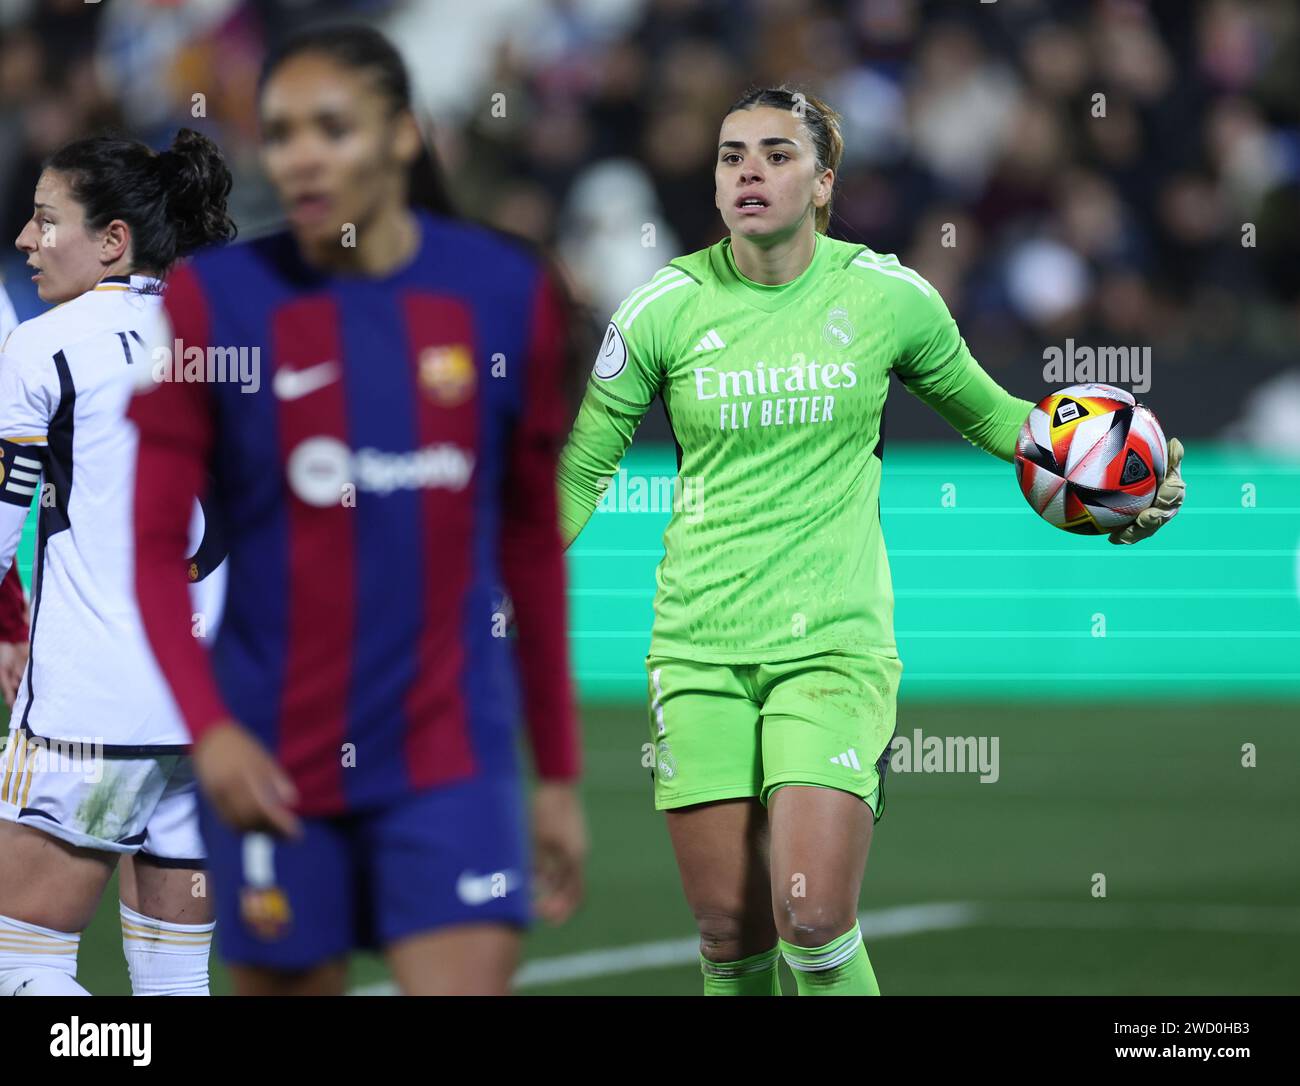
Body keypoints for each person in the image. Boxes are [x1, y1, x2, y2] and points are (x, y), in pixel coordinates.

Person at [556, 87, 1186, 996]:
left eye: (777, 155)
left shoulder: (888, 298)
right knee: (729, 933)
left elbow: (999, 419)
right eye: (733, 155)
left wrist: (1115, 472)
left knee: (811, 918)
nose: (750, 173)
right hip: (697, 647)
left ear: (822, 182)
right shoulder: (661, 310)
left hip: (835, 647)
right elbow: (580, 472)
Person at [129, 25, 586, 996]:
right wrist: (209, 729)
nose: (299, 154)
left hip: (449, 756)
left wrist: (555, 773)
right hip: (272, 762)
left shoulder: (503, 294)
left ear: (403, 137)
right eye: (282, 130)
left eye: (331, 128)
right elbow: (152, 539)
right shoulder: (214, 304)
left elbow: (531, 549)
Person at [0, 129, 236, 995]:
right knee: (176, 982)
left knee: (18, 971)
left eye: (43, 219)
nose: (26, 240)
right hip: (210, 708)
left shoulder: (45, 346)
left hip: (90, 713)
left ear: (111, 240)